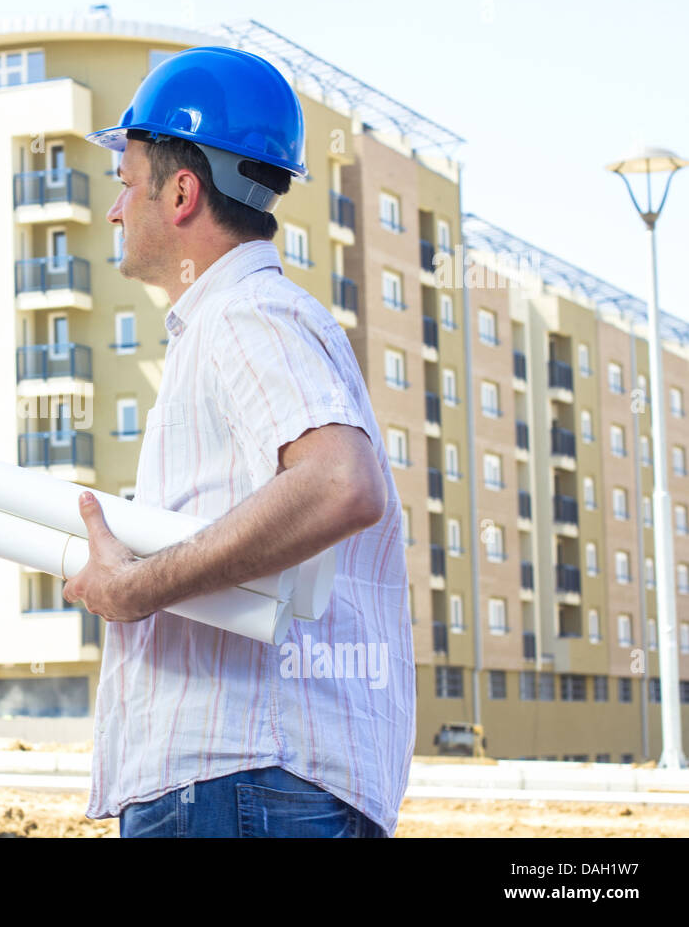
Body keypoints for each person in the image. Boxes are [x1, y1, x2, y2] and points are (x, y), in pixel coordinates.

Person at [62, 46, 415, 838]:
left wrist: (138, 586)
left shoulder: (245, 315)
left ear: (181, 192)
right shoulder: (234, 324)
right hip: (253, 781)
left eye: (125, 184)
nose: (116, 211)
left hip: (239, 781)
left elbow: (339, 484)